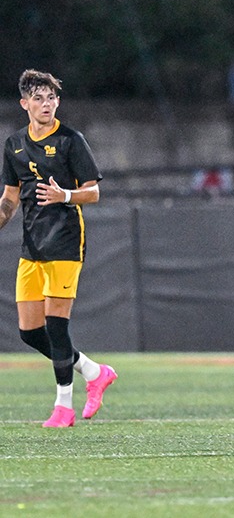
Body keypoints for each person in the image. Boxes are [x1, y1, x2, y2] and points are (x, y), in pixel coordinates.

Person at [0, 69, 117, 428]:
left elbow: (93, 192)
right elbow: (9, 199)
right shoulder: (14, 144)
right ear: (25, 104)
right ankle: (94, 371)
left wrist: (64, 195)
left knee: (56, 326)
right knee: (29, 331)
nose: (46, 104)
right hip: (31, 245)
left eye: (51, 98)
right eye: (38, 98)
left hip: (65, 241)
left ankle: (63, 407)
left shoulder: (70, 140)